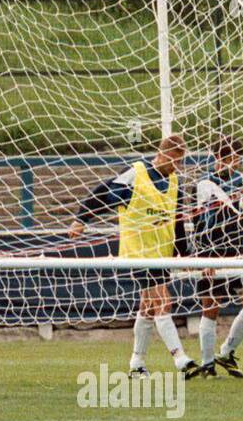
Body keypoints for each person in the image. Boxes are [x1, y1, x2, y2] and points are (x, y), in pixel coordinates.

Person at [69, 134, 198, 379]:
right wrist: (81, 219)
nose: (177, 166)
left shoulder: (173, 182)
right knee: (163, 301)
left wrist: (182, 252)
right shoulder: (136, 173)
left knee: (148, 308)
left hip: (161, 254)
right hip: (138, 253)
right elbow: (103, 192)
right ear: (162, 154)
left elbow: (177, 219)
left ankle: (137, 363)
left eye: (181, 162)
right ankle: (181, 359)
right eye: (175, 160)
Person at [190, 136, 243, 378]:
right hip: (212, 253)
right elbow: (199, 222)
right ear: (219, 159)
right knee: (211, 307)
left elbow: (239, 219)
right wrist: (205, 257)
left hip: (237, 252)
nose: (234, 164)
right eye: (230, 158)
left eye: (237, 159)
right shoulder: (204, 184)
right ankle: (207, 364)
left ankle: (227, 351)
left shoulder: (239, 181)